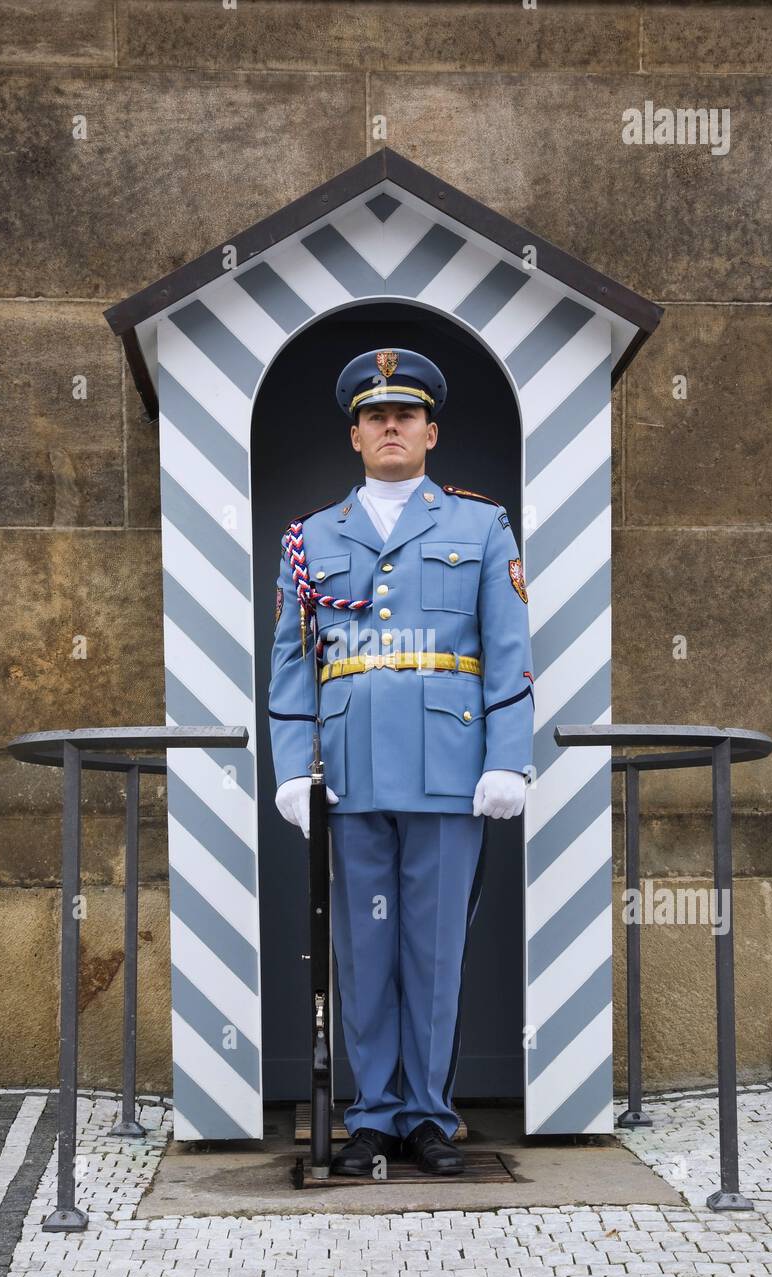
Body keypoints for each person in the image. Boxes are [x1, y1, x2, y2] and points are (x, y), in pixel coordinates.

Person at [268, 348, 534, 1176]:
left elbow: (508, 649)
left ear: (430, 431)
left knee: (433, 952)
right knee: (364, 949)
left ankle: (428, 1116)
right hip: (346, 775)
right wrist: (288, 765)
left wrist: (508, 759)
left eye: (405, 415)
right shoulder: (311, 538)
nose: (391, 426)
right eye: (376, 416)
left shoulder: (478, 525)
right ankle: (373, 1116)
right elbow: (291, 661)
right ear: (355, 435)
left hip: (450, 772)